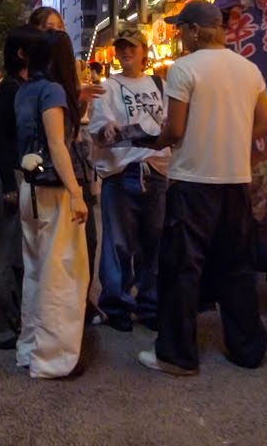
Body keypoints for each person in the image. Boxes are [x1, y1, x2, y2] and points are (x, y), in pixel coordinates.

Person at [138, 0, 267, 376]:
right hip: (236, 183)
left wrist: (155, 142)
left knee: (182, 269)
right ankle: (247, 349)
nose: (180, 36)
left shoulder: (184, 69)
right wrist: (231, 139)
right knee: (237, 268)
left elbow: (176, 130)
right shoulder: (248, 69)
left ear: (195, 30)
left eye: (181, 29)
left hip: (193, 183)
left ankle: (177, 355)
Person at [15, 28, 93, 379]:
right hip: (54, 191)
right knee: (62, 273)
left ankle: (30, 349)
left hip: (29, 188)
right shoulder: (53, 90)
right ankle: (53, 359)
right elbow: (58, 145)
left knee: (35, 272)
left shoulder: (25, 90)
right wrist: (77, 193)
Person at [88, 28, 169, 332]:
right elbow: (98, 123)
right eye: (122, 47)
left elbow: (171, 124)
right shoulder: (108, 87)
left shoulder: (159, 85)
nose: (126, 52)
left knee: (154, 243)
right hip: (122, 174)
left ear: (144, 51)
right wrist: (108, 127)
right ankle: (118, 304)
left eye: (132, 47)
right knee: (118, 243)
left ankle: (150, 303)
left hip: (156, 172)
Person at [0, 26, 38, 349]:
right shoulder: (11, 89)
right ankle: (0, 329)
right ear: (22, 54)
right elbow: (0, 139)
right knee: (5, 255)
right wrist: (8, 183)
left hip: (14, 175)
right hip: (9, 176)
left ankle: (8, 322)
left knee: (14, 254)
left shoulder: (21, 86)